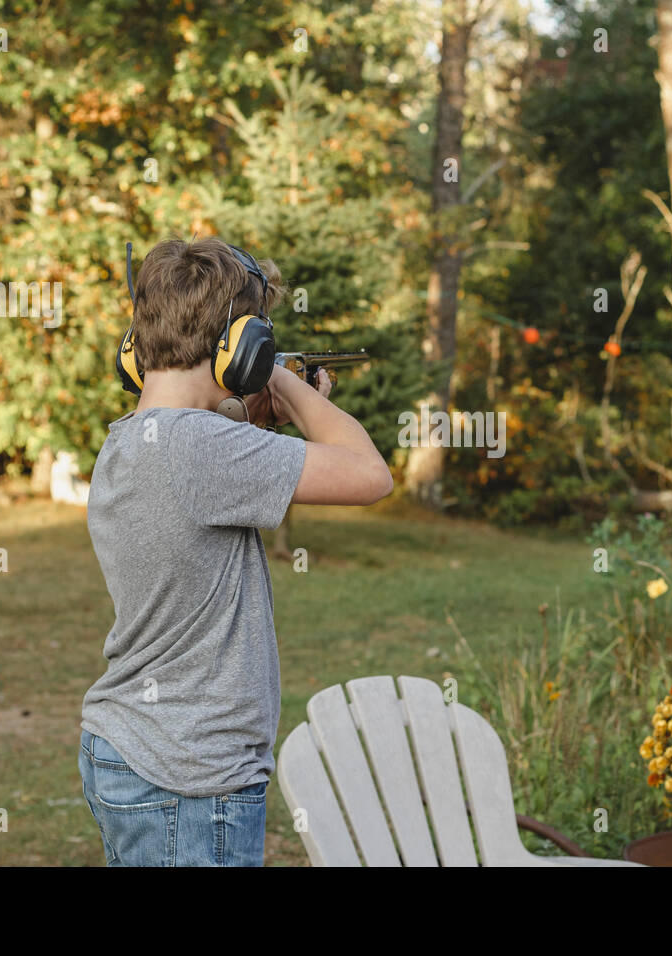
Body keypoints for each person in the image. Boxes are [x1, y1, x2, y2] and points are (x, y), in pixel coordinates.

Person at [77, 236, 391, 866]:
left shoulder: (133, 440)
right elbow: (369, 474)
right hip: (191, 773)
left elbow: (207, 475)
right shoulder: (203, 450)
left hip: (134, 747)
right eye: (260, 341)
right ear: (242, 348)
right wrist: (284, 382)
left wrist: (256, 413)